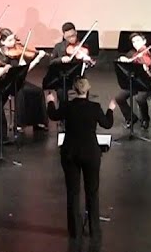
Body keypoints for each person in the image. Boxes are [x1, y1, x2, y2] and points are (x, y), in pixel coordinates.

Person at [45, 78, 115, 238]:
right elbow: (107, 124)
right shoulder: (94, 107)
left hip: (70, 153)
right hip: (91, 153)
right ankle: (94, 230)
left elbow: (53, 115)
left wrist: (50, 101)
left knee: (73, 192)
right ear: (88, 91)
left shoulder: (67, 107)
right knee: (92, 192)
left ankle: (75, 231)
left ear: (74, 91)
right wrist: (111, 109)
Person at [114, 33, 151, 131]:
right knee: (119, 98)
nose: (136, 44)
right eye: (133, 42)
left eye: (138, 41)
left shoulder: (147, 54)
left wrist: (144, 66)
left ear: (144, 42)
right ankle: (131, 118)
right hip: (134, 82)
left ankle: (145, 119)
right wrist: (124, 60)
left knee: (140, 98)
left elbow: (148, 62)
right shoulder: (133, 54)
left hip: (146, 84)